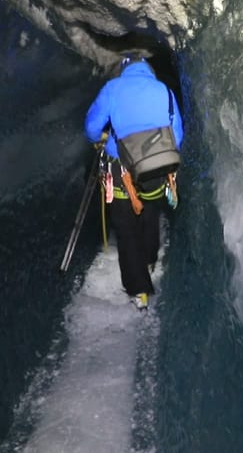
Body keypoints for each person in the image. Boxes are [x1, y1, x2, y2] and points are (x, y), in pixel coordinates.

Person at [84, 54, 184, 310]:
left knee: (126, 227)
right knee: (150, 214)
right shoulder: (165, 91)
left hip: (122, 172)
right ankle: (150, 259)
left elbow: (92, 127)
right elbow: (178, 135)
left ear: (125, 71)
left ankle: (139, 290)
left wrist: (104, 139)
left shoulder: (113, 89)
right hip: (157, 170)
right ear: (149, 72)